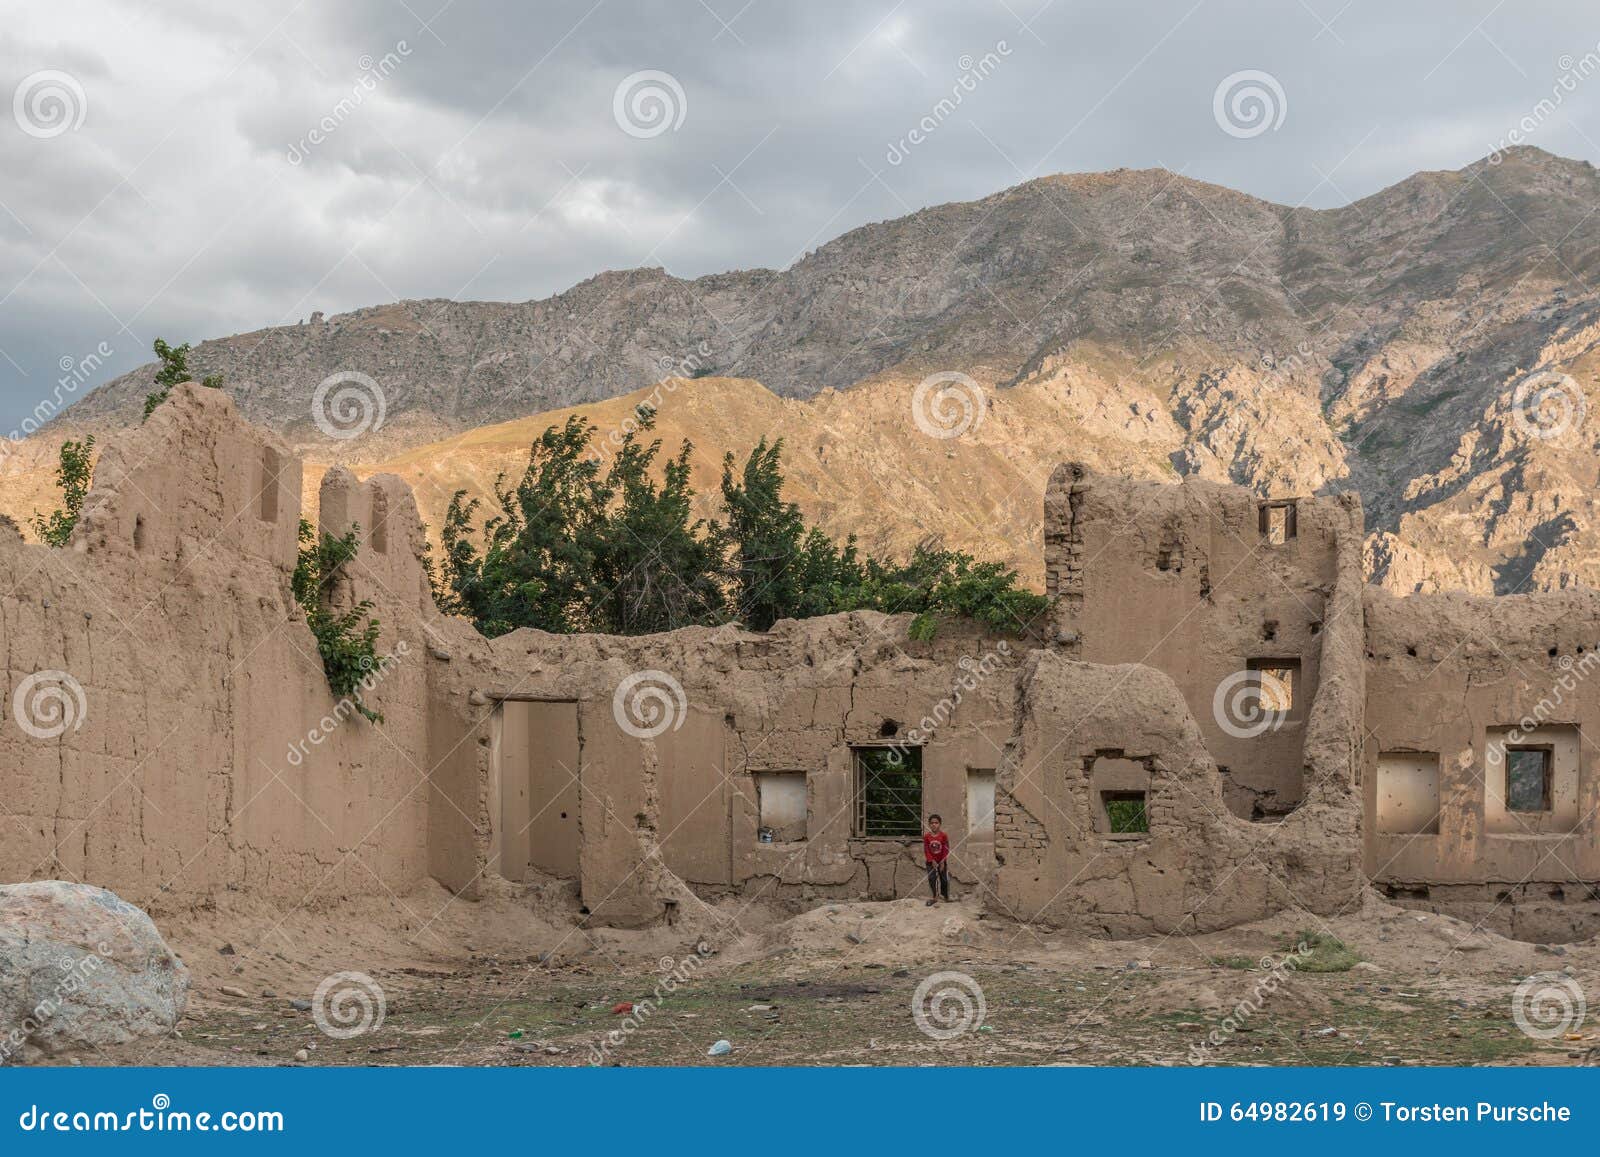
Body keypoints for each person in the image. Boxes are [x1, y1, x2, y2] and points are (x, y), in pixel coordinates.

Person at [922, 814, 951, 905]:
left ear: (940, 824)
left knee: (944, 879)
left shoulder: (943, 835)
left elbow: (946, 849)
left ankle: (945, 896)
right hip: (931, 862)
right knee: (932, 878)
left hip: (941, 861)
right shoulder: (927, 837)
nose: (934, 825)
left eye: (936, 823)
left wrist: (942, 861)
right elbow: (926, 850)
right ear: (929, 824)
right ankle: (935, 896)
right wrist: (932, 860)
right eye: (932, 823)